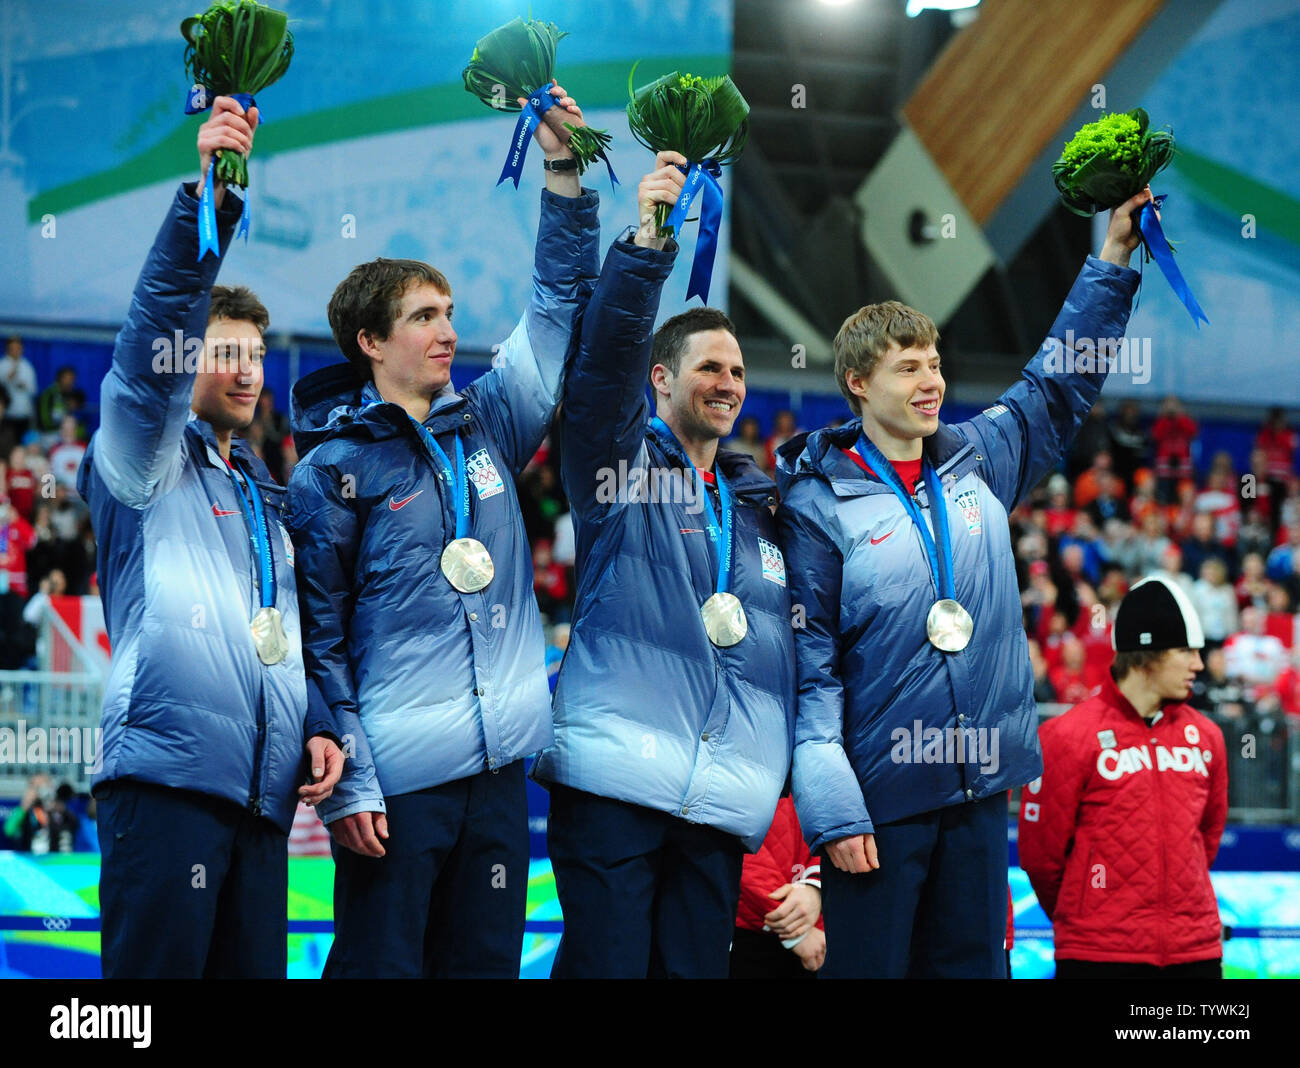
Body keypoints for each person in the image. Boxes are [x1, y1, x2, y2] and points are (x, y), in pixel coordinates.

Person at [775, 188, 1151, 979]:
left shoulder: (977, 460)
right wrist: (834, 810)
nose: (930, 380)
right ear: (855, 383)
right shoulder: (817, 503)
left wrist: (1112, 258)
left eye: (935, 363)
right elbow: (811, 675)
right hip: (878, 806)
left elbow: (1056, 384)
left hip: (979, 794)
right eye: (906, 367)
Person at [285, 83, 600, 979]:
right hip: (398, 781)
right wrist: (351, 776)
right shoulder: (331, 472)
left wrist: (565, 174)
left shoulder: (491, 425)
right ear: (369, 343)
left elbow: (552, 316)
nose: (448, 332)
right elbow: (320, 635)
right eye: (424, 317)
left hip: (499, 774)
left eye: (450, 313)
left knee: (485, 970)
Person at [77, 97, 342, 979]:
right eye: (221, 353)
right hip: (167, 784)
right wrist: (209, 200)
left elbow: (288, 642)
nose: (246, 371)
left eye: (257, 356)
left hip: (262, 806)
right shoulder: (141, 463)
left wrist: (318, 725)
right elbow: (154, 328)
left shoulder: (269, 497)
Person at [533, 152, 795, 979]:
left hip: (715, 804)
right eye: (710, 367)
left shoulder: (758, 509)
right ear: (662, 380)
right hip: (617, 788)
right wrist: (649, 243)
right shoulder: (616, 471)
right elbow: (600, 370)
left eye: (740, 371)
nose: (729, 383)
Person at [1018, 576, 1227, 978]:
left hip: (1195, 950)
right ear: (1146, 655)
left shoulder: (1208, 736)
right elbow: (1041, 857)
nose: (1198, 665)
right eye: (1186, 651)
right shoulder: (1066, 737)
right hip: (1097, 954)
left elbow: (1207, 838)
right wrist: (1088, 915)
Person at [730, 796, 824, 978]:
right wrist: (799, 932)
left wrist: (816, 890)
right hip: (750, 931)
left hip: (814, 929)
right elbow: (741, 855)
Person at [0, 336, 37, 441]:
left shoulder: (27, 366)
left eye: (18, 348)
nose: (16, 350)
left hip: (24, 414)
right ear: (7, 349)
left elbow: (34, 390)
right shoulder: (2, 364)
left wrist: (25, 386)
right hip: (7, 415)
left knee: (23, 442)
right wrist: (7, 378)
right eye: (12, 348)